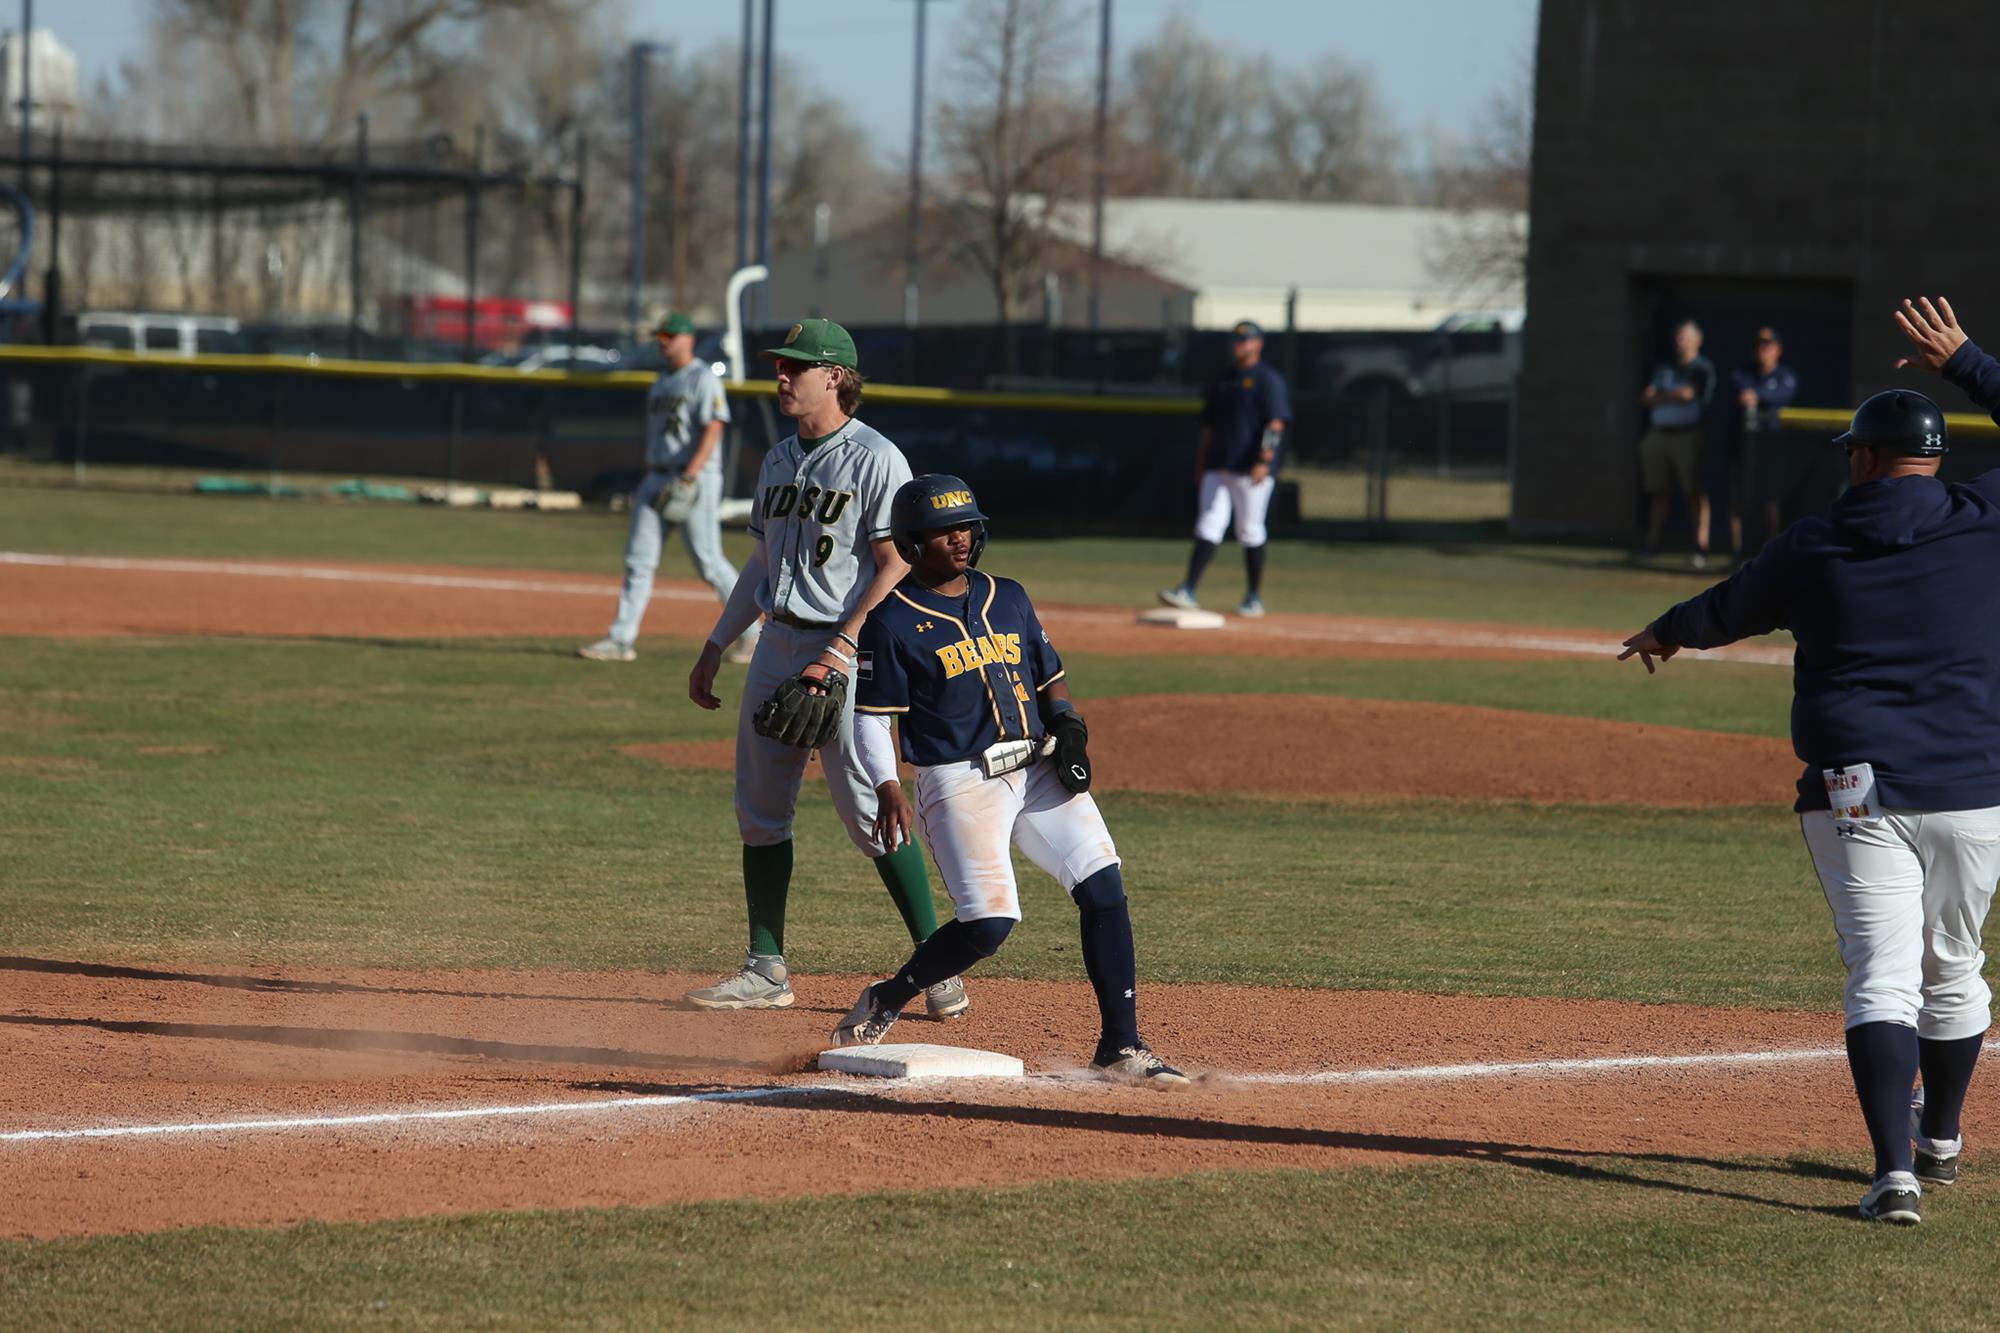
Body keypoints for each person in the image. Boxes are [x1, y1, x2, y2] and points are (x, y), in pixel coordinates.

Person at [1618, 295, 2000, 1225]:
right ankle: (1942, 1136)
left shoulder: (1815, 543)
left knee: (1882, 975)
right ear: (1938, 457)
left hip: (1854, 789)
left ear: (1863, 458)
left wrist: (1666, 630)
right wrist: (1968, 362)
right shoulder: (1982, 519)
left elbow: (1727, 606)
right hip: (1973, 787)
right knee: (1955, 966)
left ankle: (1893, 1174)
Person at [834, 473, 1188, 1083]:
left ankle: (1121, 1046)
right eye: (945, 530)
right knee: (989, 924)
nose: (960, 538)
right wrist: (888, 784)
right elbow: (871, 719)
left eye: (967, 526)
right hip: (959, 781)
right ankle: (890, 995)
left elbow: (1050, 678)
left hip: (1039, 767)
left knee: (1103, 886)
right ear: (912, 543)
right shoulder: (891, 622)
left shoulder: (1009, 596)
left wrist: (1069, 725)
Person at [682, 318, 966, 1020]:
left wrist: (845, 641)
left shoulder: (875, 458)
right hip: (777, 642)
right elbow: (760, 562)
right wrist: (717, 642)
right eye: (781, 366)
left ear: (835, 376)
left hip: (845, 652)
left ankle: (936, 962)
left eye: (796, 367)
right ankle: (765, 967)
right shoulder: (777, 458)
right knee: (758, 812)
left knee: (872, 812)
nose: (782, 376)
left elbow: (895, 563)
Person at [579, 313, 758, 665]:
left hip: (694, 478)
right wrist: (649, 476)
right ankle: (621, 639)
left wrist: (690, 475)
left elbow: (714, 428)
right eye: (661, 335)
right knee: (638, 561)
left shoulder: (702, 378)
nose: (664, 341)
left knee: (708, 561)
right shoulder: (661, 380)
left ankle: (752, 634)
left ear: (688, 339)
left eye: (670, 335)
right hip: (657, 476)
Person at [1159, 320, 1291, 618]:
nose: (1239, 345)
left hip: (1250, 468)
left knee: (1250, 529)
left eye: (1245, 340)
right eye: (1236, 340)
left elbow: (1275, 423)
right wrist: (1201, 463)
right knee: (1208, 524)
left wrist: (1264, 460)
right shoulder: (1224, 379)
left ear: (1258, 344)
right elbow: (1209, 427)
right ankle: (1188, 589)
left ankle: (1253, 597)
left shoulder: (1268, 379)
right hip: (1218, 466)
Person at [1637, 319, 1717, 564]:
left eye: (1685, 337)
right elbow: (1646, 398)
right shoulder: (1665, 369)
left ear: (1697, 341)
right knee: (1658, 492)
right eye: (1678, 336)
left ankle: (1700, 548)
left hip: (1687, 435)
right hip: (1659, 434)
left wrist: (1662, 396)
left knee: (1694, 492)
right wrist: (1673, 395)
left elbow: (1689, 395)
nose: (1679, 341)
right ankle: (1652, 546)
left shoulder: (1701, 367)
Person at [1727, 327, 1802, 556]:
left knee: (1771, 497)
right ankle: (1737, 550)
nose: (1763, 350)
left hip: (1772, 443)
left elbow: (1783, 394)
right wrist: (1755, 395)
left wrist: (1758, 396)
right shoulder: (1744, 373)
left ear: (1778, 350)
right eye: (1759, 346)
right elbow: (1739, 387)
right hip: (1744, 443)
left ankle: (1770, 550)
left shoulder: (1784, 376)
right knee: (1739, 496)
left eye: (1768, 346)